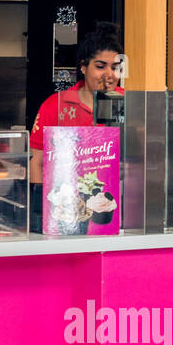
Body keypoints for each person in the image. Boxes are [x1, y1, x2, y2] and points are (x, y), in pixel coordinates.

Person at [28, 23, 124, 227]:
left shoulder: (126, 103)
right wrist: (39, 209)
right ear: (83, 66)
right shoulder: (56, 104)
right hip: (66, 208)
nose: (109, 75)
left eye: (115, 68)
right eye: (100, 66)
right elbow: (37, 161)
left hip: (118, 207)